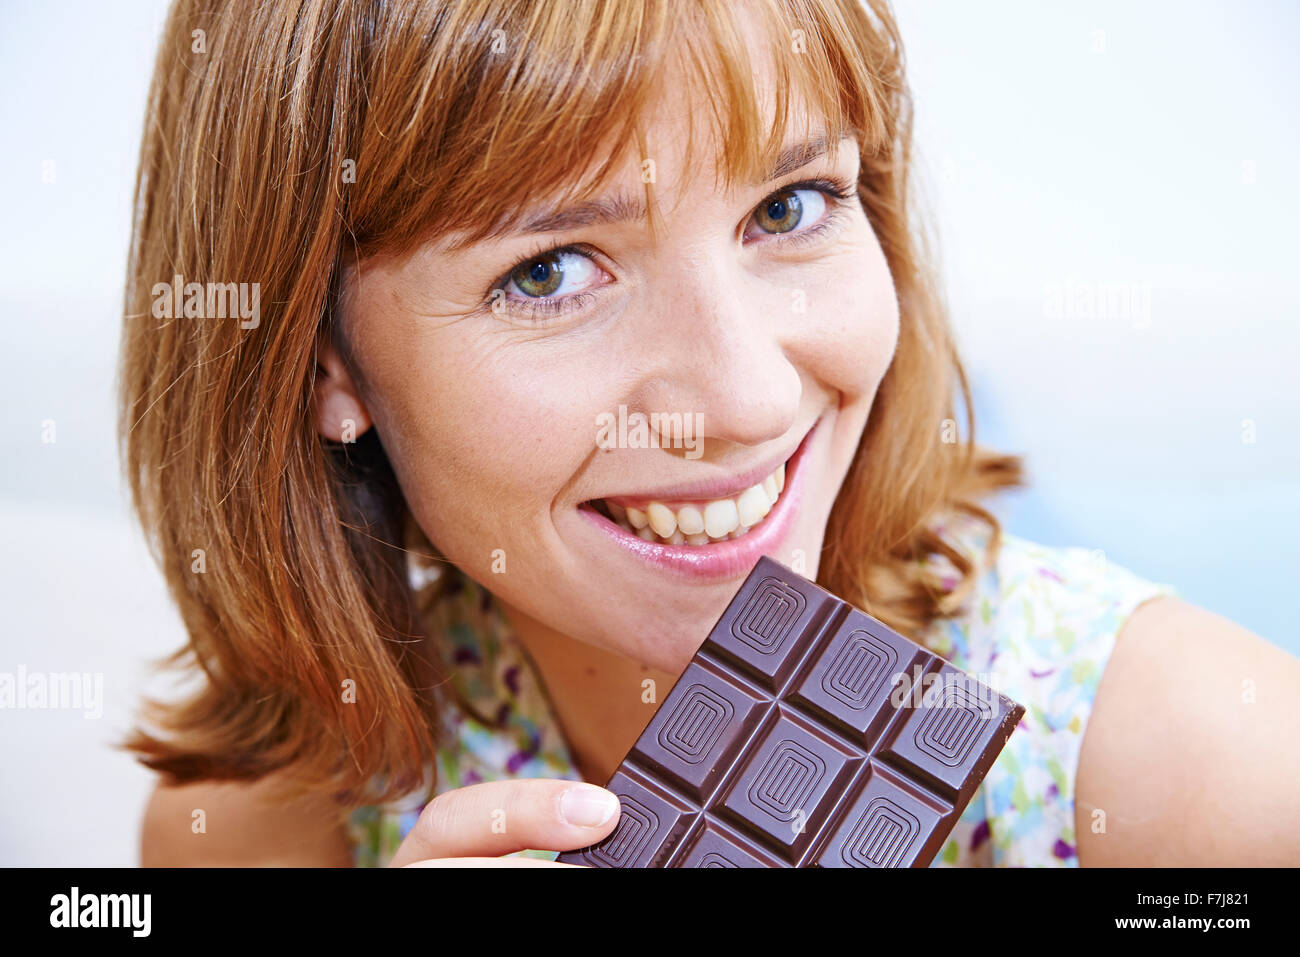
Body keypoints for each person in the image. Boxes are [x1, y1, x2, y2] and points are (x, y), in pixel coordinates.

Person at [122, 0, 1300, 867]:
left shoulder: (1209, 776)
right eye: (548, 274)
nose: (742, 400)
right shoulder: (255, 827)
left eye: (789, 207)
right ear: (328, 366)